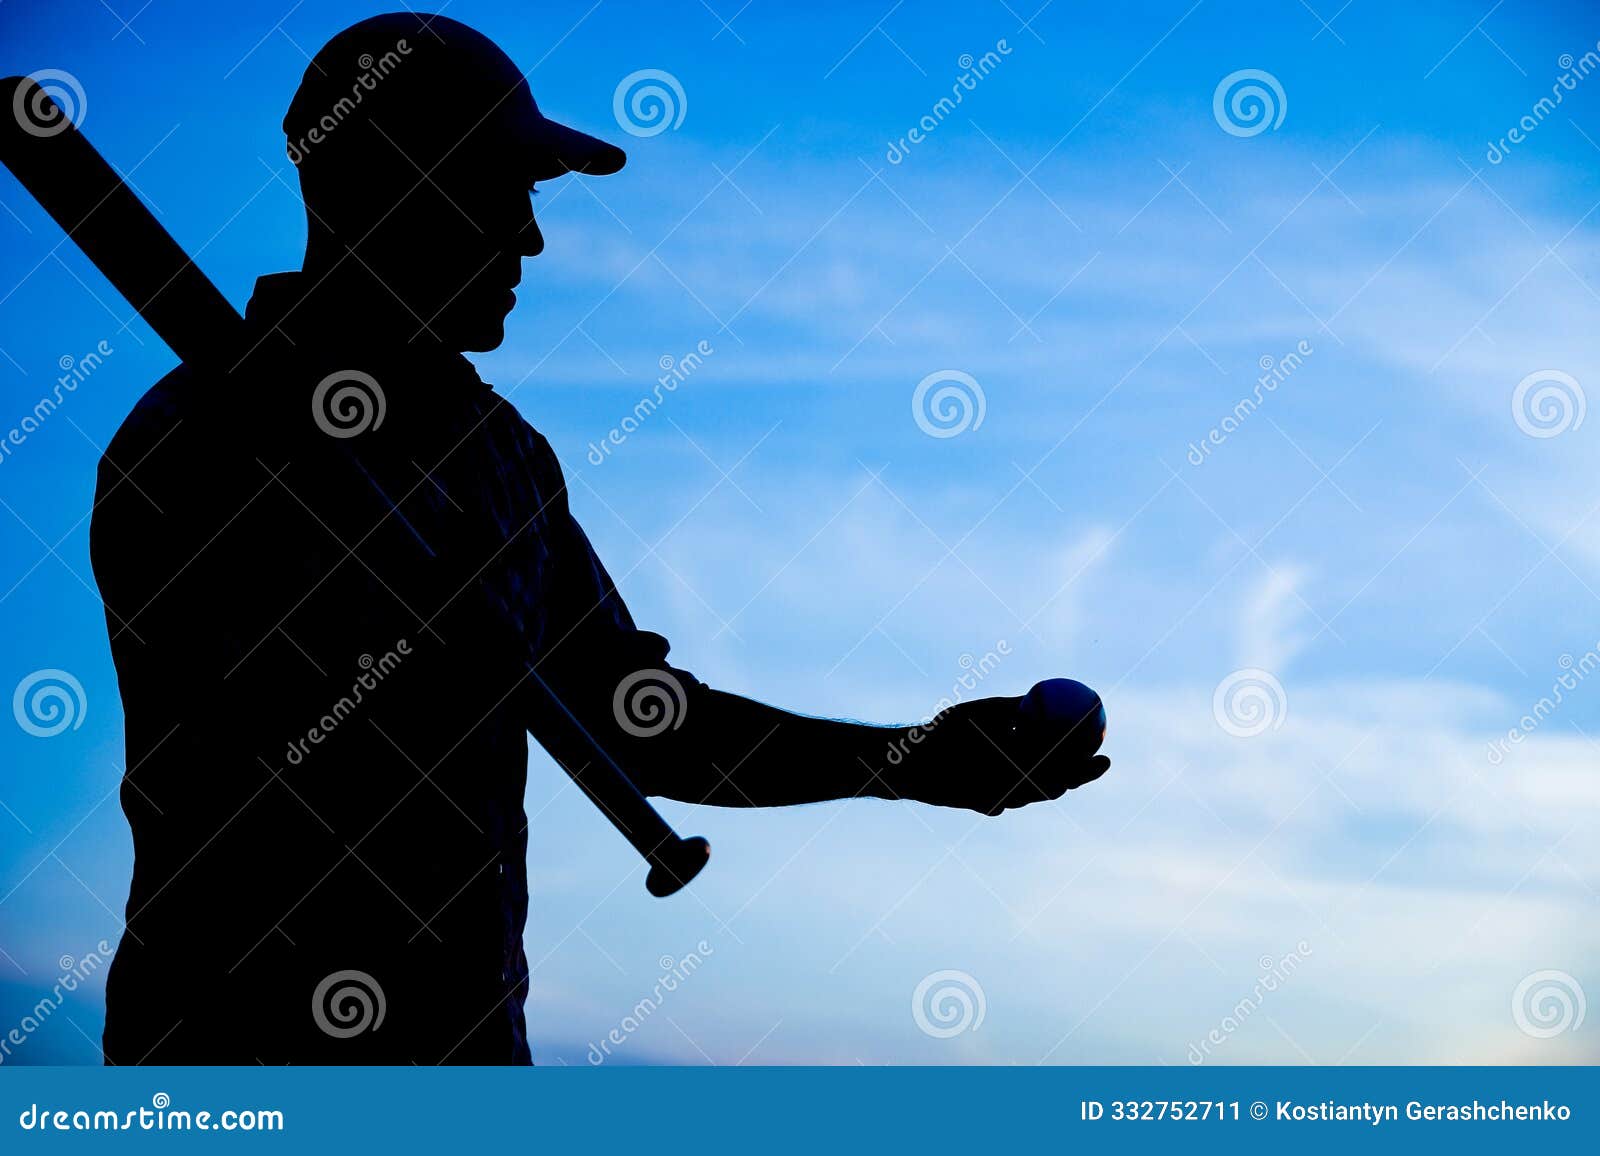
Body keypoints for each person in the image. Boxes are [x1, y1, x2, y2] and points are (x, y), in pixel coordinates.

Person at [88, 12, 1110, 1065]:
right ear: (388, 190)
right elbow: (245, 749)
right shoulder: (201, 443)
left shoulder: (501, 460)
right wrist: (400, 641)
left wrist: (912, 760)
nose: (529, 237)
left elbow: (641, 723)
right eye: (500, 187)